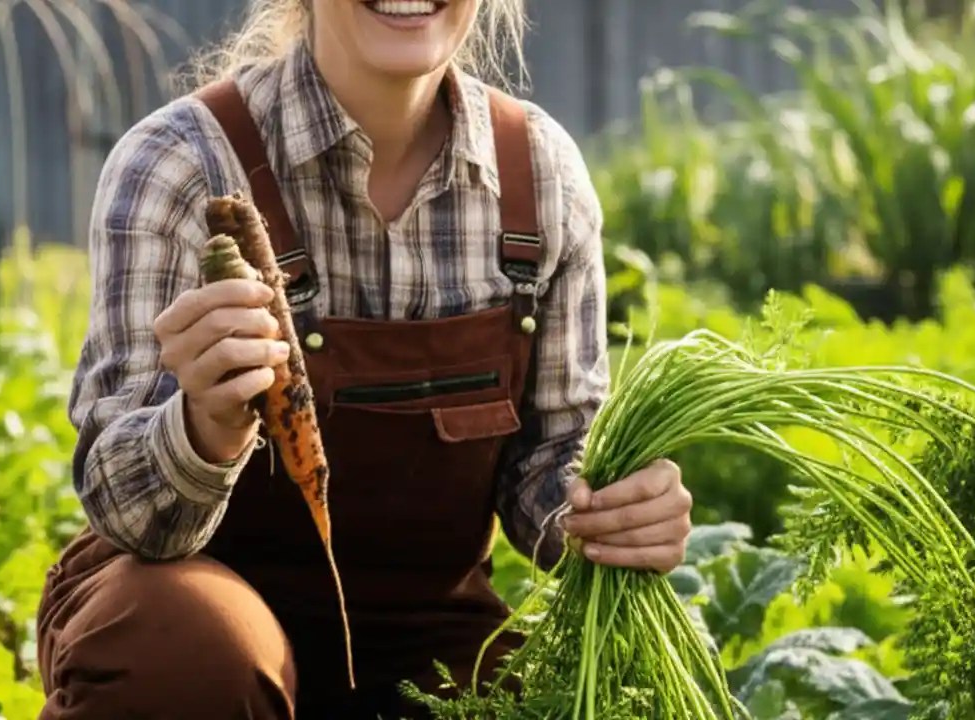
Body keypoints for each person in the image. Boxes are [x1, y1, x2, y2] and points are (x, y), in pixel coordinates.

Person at [35, 1, 695, 718]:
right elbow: (125, 511)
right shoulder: (181, 164)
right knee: (189, 652)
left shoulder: (538, 177)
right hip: (190, 602)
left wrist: (603, 515)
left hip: (425, 635)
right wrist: (204, 424)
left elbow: (551, 456)